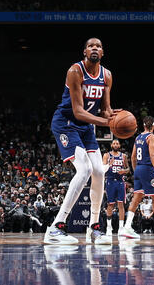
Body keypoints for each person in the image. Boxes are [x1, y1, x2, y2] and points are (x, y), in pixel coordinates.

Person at [44, 38, 116, 245]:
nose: (95, 48)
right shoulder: (75, 71)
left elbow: (105, 108)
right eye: (91, 46)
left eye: (99, 46)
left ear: (102, 52)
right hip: (66, 123)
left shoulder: (107, 75)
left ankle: (94, 227)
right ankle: (56, 228)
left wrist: (114, 117)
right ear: (85, 51)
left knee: (99, 171)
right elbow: (78, 110)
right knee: (84, 170)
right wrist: (104, 122)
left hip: (85, 127)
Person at [101, 138, 129, 243]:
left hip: (120, 182)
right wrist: (109, 164)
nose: (116, 144)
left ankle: (121, 228)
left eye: (117, 143)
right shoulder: (106, 155)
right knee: (110, 204)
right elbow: (102, 170)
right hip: (110, 181)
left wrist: (124, 171)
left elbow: (128, 169)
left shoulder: (124, 156)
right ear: (111, 145)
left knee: (121, 204)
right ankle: (109, 227)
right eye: (114, 143)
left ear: (119, 145)